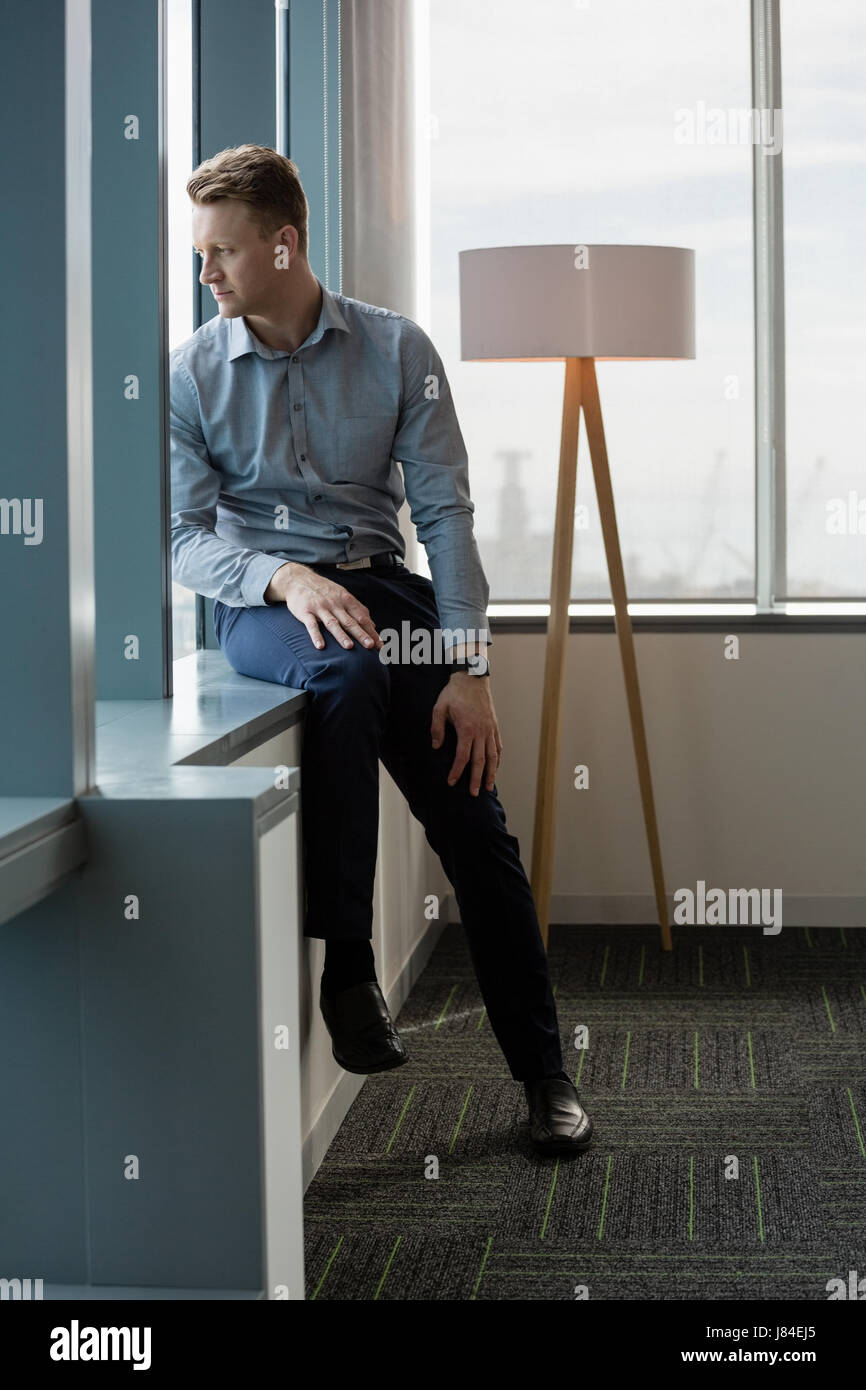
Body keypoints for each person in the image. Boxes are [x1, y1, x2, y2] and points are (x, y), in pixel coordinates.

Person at [170, 143, 592, 1157]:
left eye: (221, 252)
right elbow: (181, 536)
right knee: (342, 666)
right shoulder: (191, 373)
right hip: (271, 609)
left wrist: (468, 667)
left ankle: (545, 1077)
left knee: (478, 834)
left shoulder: (398, 349)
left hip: (388, 596)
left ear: (284, 243)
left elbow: (444, 515)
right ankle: (347, 964)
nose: (205, 274)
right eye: (200, 255)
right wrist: (281, 576)